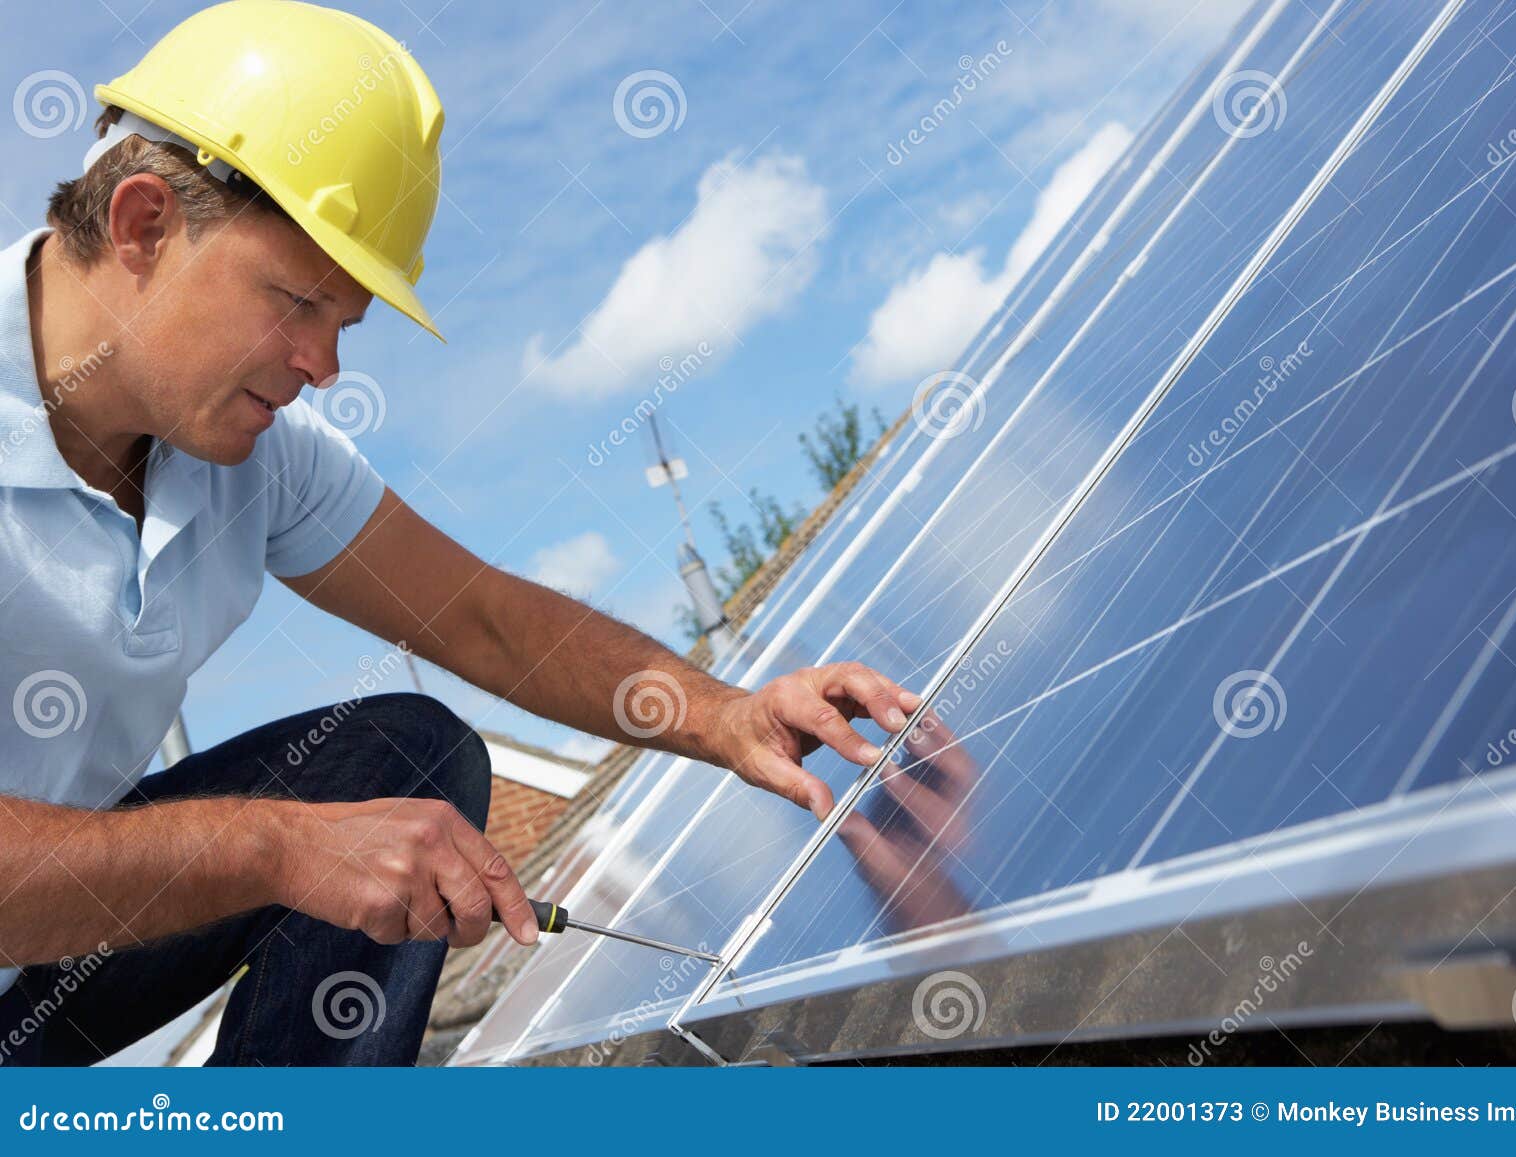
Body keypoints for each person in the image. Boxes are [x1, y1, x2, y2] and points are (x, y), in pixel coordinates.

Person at [0, 0, 918, 1066]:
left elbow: (485, 619)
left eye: (341, 325)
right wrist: (276, 845)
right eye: (294, 301)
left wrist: (726, 715)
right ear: (144, 224)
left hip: (39, 973)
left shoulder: (242, 450)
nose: (322, 368)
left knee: (404, 756)